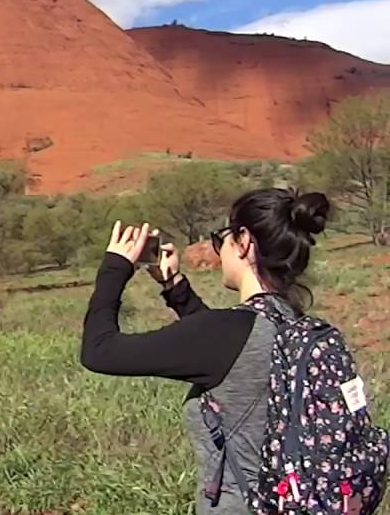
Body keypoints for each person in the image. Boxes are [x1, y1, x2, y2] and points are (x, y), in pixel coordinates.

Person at [80, 188, 331, 514]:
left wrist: (114, 268)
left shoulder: (227, 334)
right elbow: (225, 353)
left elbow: (99, 351)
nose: (219, 248)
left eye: (222, 237)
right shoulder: (301, 328)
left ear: (244, 241)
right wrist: (175, 287)